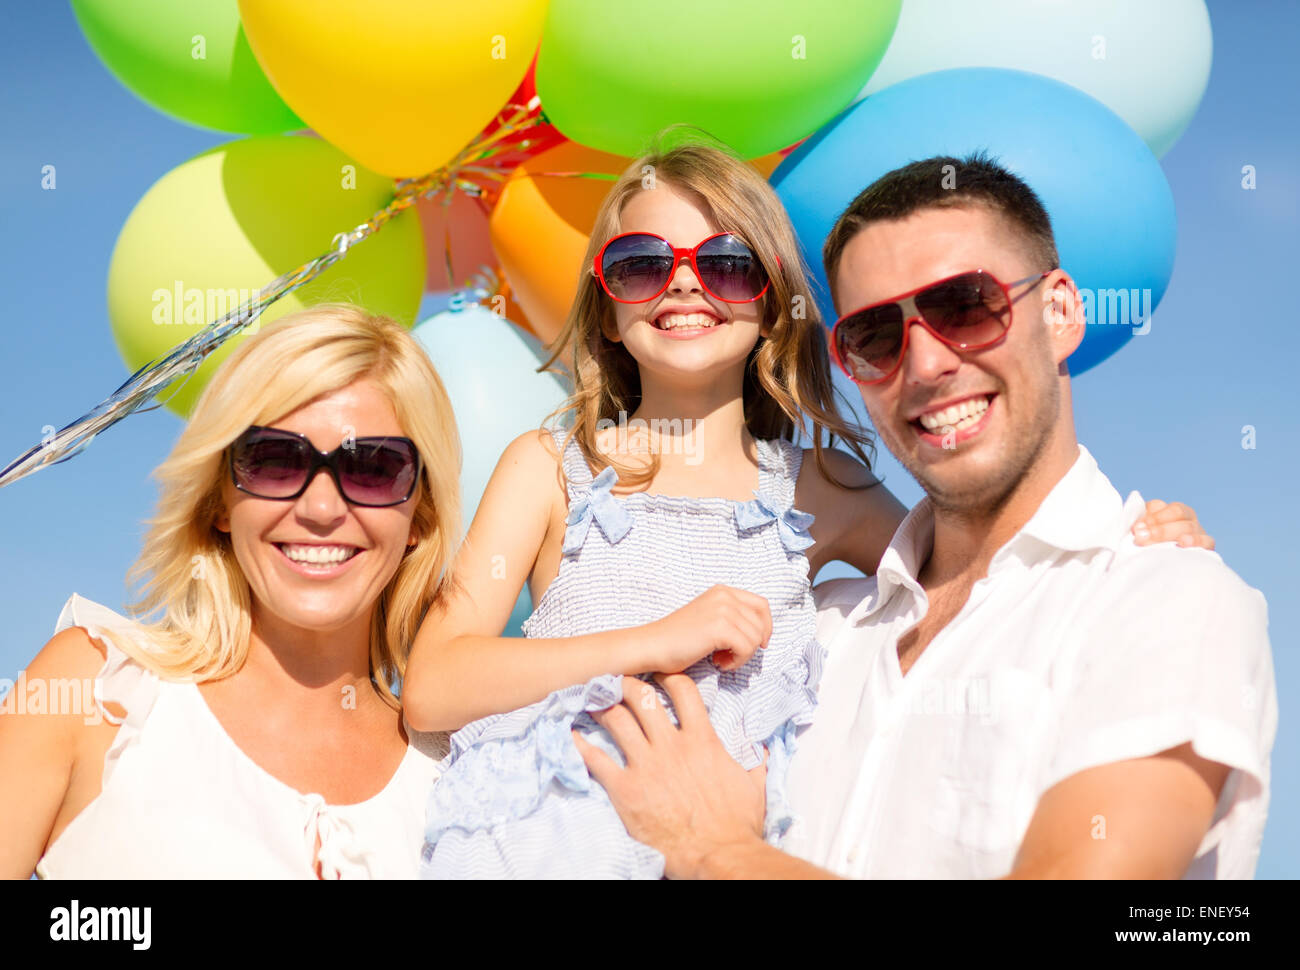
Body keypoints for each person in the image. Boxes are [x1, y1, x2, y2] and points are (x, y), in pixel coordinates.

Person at [403, 141, 1210, 879]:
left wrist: (1123, 544)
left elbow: (981, 569)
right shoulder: (551, 470)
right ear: (607, 308)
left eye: (725, 264)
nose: (684, 282)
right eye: (644, 264)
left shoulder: (817, 488)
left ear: (771, 305)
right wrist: (652, 642)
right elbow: (435, 683)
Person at [0, 304, 462, 879]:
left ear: (420, 514)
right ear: (219, 499)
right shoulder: (91, 693)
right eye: (274, 460)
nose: (320, 509)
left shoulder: (465, 778)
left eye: (373, 467)